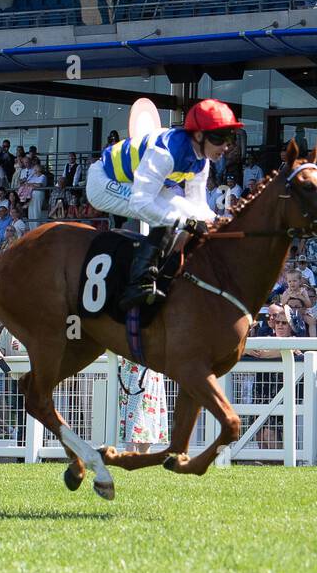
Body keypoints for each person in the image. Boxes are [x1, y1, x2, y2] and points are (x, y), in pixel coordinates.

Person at [86, 99, 244, 311]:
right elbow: (141, 204)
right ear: (199, 135)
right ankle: (138, 284)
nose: (226, 147)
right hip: (103, 182)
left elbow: (198, 207)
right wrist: (184, 221)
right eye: (220, 138)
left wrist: (220, 222)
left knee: (191, 217)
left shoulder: (201, 159)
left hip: (133, 182)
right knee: (171, 215)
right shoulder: (165, 153)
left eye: (230, 138)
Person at [117, 361, 169, 452]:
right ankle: (131, 458)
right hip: (136, 372)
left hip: (148, 373)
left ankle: (140, 459)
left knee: (146, 425)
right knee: (133, 424)